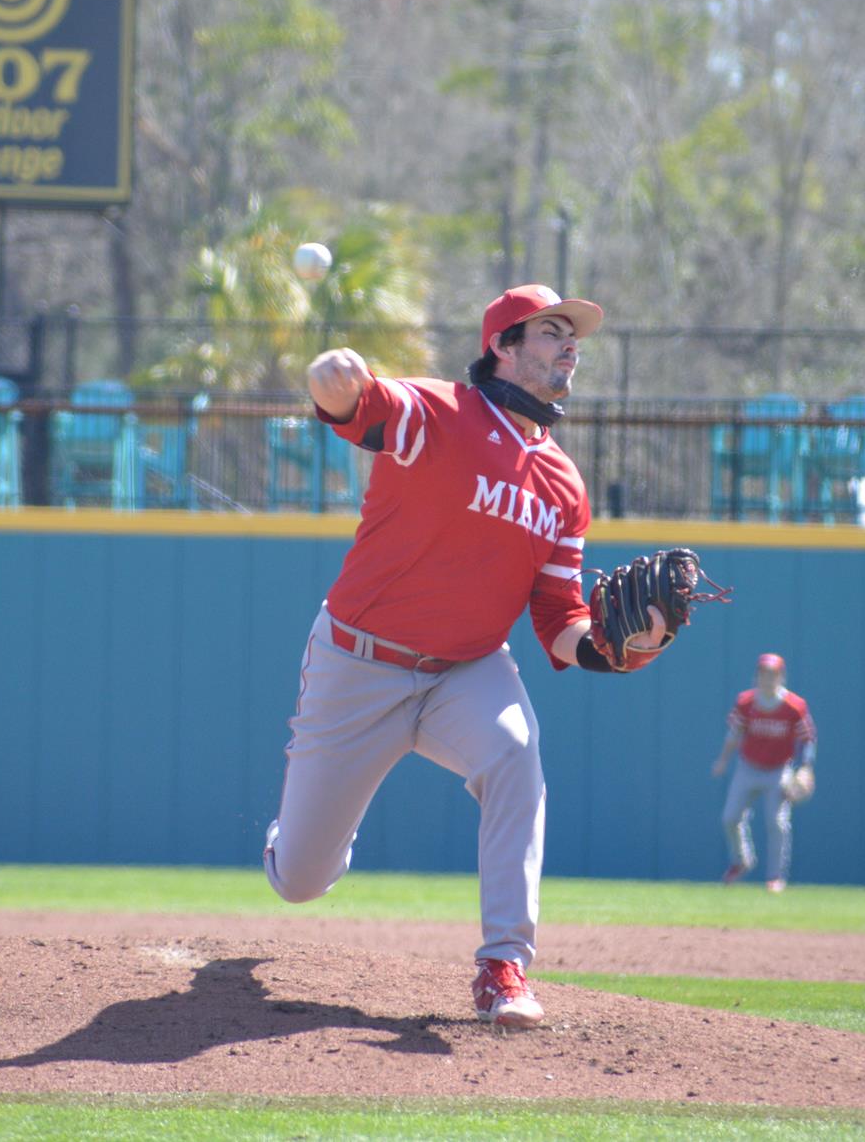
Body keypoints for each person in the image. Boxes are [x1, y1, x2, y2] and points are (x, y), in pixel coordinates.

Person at [263, 284, 697, 1030]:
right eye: (553, 330)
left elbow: (560, 619)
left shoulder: (563, 484)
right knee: (302, 879)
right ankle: (288, 842)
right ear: (503, 344)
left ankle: (504, 965)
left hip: (467, 668)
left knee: (516, 753)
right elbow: (360, 408)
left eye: (575, 335)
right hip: (358, 663)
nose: (571, 345)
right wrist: (333, 382)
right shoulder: (438, 412)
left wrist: (618, 648)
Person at [711, 652, 816, 893]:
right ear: (756, 676)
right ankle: (741, 861)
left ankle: (776, 877)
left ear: (781, 676)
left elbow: (808, 739)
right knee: (730, 818)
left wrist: (807, 768)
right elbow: (734, 735)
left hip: (778, 770)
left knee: (777, 823)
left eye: (773, 674)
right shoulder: (746, 702)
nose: (768, 679)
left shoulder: (794, 706)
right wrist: (723, 761)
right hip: (748, 766)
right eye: (764, 674)